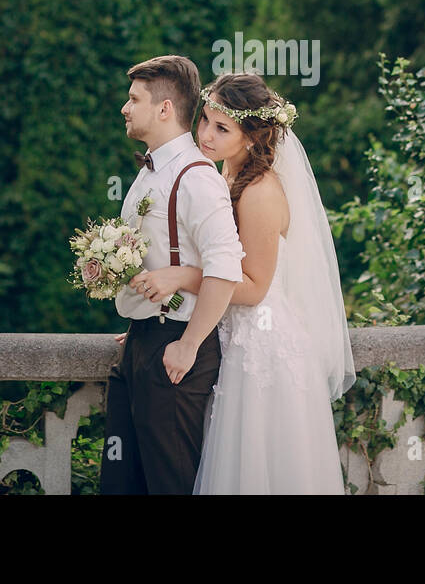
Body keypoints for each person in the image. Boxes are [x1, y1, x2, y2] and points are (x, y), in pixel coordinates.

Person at [130, 72, 356, 493]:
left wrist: (182, 277)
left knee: (254, 468)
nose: (205, 136)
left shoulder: (260, 193)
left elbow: (253, 288)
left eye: (221, 128)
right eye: (204, 121)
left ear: (252, 138)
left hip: (260, 348)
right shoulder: (223, 179)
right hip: (226, 331)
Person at [101, 55, 244, 495]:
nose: (125, 108)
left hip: (177, 351)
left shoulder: (197, 178)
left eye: (134, 99)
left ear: (164, 108)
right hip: (143, 340)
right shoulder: (152, 171)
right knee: (124, 483)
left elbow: (226, 269)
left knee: (171, 483)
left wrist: (188, 344)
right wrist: (141, 319)